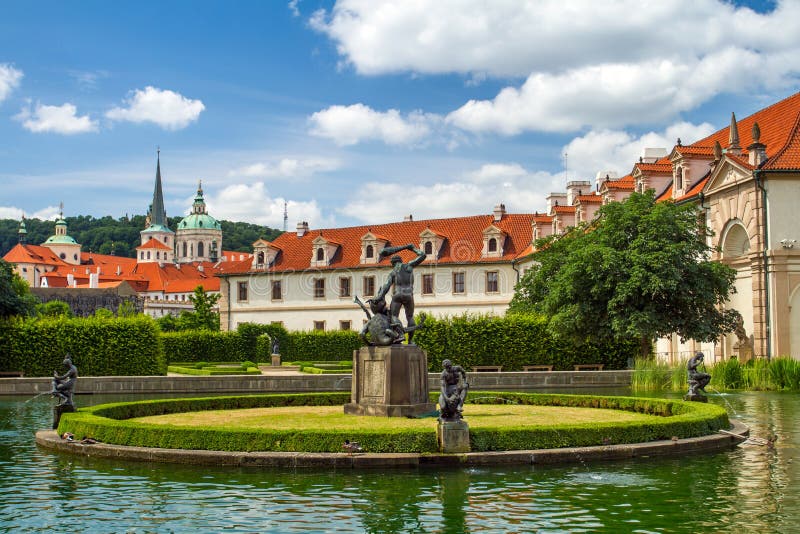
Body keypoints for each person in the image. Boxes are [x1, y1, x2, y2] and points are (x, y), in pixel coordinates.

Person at [375, 243, 426, 344]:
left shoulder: (393, 272)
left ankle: (400, 335)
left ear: (393, 264)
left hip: (397, 295)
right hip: (409, 295)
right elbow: (423, 255)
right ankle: (411, 341)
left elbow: (386, 286)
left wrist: (379, 297)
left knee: (394, 316)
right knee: (410, 317)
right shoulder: (409, 266)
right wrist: (412, 248)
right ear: (401, 261)